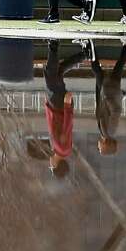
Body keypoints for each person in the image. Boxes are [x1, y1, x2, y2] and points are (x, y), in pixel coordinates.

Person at [39, 40, 83, 176]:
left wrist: (47, 105)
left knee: (57, 73)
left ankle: (84, 55)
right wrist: (67, 105)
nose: (49, 164)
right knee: (51, 76)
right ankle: (53, 43)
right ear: (56, 165)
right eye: (51, 167)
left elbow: (53, 125)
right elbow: (66, 126)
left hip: (55, 106)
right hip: (60, 106)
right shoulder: (62, 148)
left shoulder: (60, 149)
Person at [89, 39, 126, 155]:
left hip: (108, 92)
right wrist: (107, 99)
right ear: (105, 146)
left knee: (117, 68)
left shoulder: (107, 133)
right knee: (96, 69)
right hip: (108, 92)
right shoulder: (110, 132)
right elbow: (116, 111)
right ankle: (88, 44)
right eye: (100, 149)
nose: (98, 147)